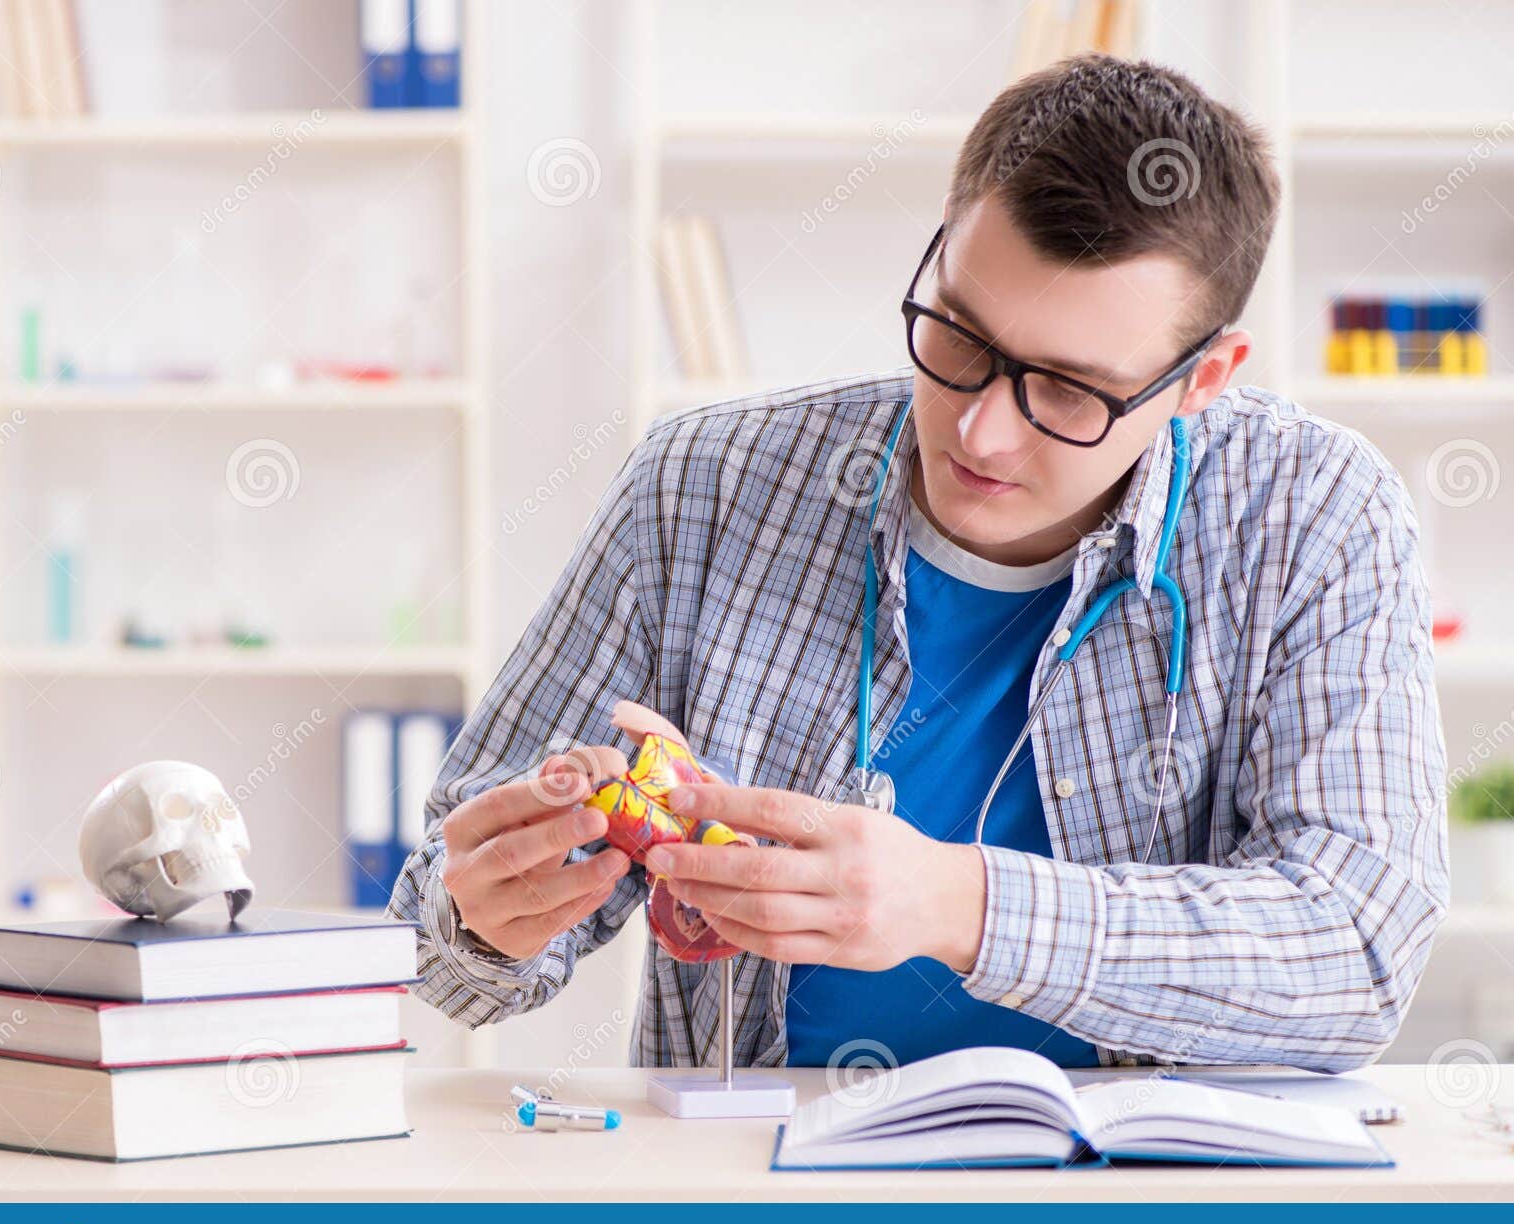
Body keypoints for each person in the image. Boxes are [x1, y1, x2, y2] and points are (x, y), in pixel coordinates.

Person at [388, 54, 1447, 1074]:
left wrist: (955, 905)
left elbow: (1356, 949)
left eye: (1071, 392)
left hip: (1142, 1216)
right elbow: (439, 946)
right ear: (939, 254)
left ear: (1203, 377)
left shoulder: (1314, 511)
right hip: (767, 1200)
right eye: (957, 336)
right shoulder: (701, 485)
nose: (981, 434)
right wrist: (490, 914)